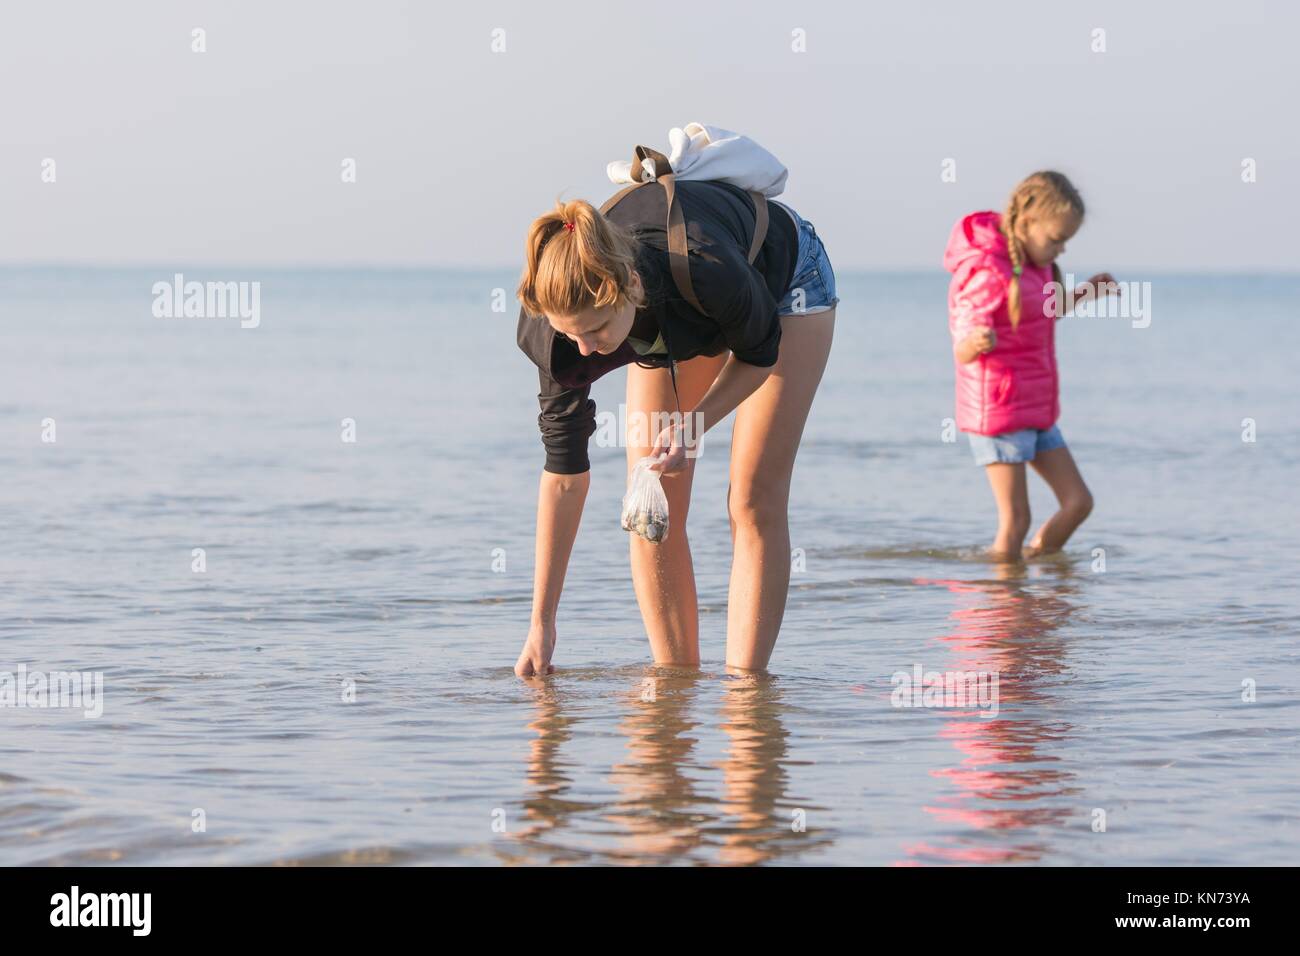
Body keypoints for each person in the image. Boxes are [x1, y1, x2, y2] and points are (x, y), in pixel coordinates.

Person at [514, 179, 838, 675]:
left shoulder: (706, 268)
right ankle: (675, 687)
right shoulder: (559, 328)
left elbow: (759, 354)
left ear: (632, 289)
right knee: (650, 492)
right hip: (680, 316)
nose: (584, 349)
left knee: (752, 498)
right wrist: (541, 624)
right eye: (569, 333)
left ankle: (746, 694)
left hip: (781, 282)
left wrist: (694, 426)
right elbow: (562, 478)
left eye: (597, 330)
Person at [944, 170, 1116, 560]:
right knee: (1016, 520)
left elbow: (1042, 313)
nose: (1061, 251)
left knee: (1078, 502)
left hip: (1035, 409)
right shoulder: (987, 270)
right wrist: (976, 341)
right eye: (1056, 240)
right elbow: (962, 345)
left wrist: (1087, 293)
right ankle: (1007, 605)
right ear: (1026, 222)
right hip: (999, 411)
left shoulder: (1035, 266)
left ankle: (1037, 575)